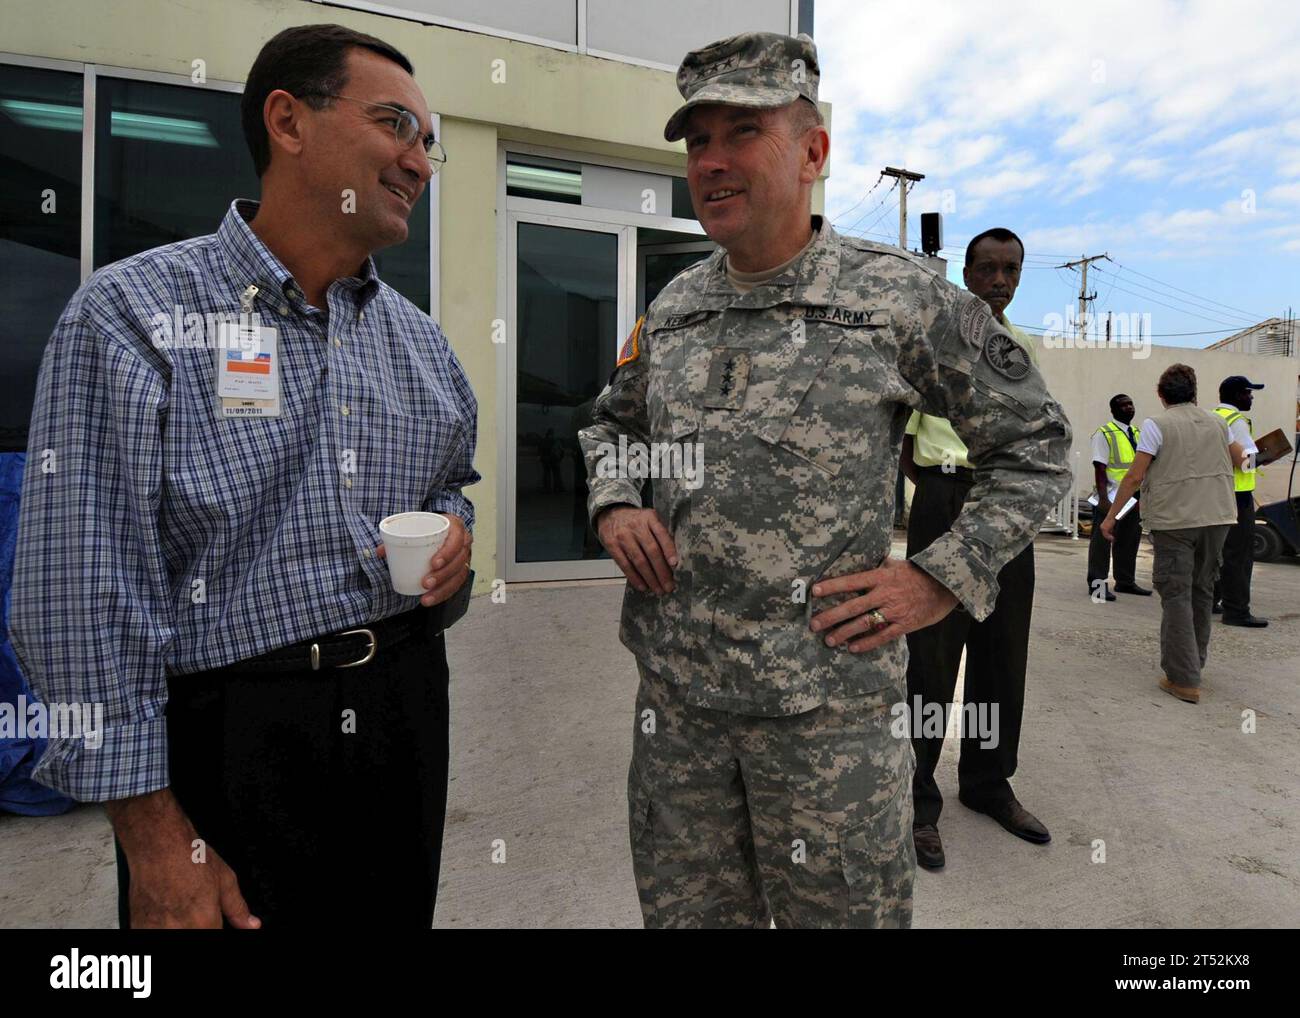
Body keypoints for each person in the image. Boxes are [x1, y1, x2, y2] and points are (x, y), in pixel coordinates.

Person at [579, 33, 1071, 928]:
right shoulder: (676, 306)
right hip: (679, 715)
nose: (712, 161)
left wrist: (938, 576)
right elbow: (613, 421)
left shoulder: (900, 299)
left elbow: (1036, 445)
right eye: (697, 141)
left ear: (814, 154)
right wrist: (615, 501)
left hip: (827, 722)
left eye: (742, 132)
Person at [10, 24, 479, 928]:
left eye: (429, 143)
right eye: (396, 126)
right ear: (287, 121)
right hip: (230, 735)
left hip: (404, 713)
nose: (420, 161)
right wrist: (154, 841)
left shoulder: (421, 347)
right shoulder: (132, 317)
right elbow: (75, 596)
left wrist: (453, 535)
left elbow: (450, 486)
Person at [899, 227, 1052, 872]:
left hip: (1010, 509)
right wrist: (945, 493)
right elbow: (907, 443)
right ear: (965, 272)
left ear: (1019, 275)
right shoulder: (933, 341)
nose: (998, 280)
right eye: (986, 269)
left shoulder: (1023, 347)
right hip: (946, 500)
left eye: (1009, 270)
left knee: (1001, 650)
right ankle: (916, 797)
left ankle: (988, 783)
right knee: (932, 659)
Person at [1101, 365, 1239, 704]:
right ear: (1195, 394)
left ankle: (1184, 679)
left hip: (1175, 521)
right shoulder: (1220, 423)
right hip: (1218, 517)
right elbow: (1239, 460)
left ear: (1161, 396)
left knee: (1176, 594)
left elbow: (1134, 477)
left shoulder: (1155, 425)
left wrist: (1110, 517)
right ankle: (1194, 663)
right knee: (1202, 590)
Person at [1212, 376, 1268, 627]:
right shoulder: (1237, 422)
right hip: (1239, 496)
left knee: (1215, 553)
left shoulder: (1212, 417)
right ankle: (1236, 611)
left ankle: (1211, 599)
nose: (1252, 397)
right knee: (1239, 555)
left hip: (1214, 495)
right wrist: (1267, 455)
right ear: (1236, 396)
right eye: (1248, 393)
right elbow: (1245, 463)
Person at [1086, 394, 1151, 600]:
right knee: (1101, 544)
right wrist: (1104, 500)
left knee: (1129, 540)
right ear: (1113, 410)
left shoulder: (1138, 433)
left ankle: (1125, 581)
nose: (1129, 408)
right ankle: (1097, 586)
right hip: (1111, 496)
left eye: (1131, 404)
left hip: (1133, 496)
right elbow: (1100, 468)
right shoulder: (1104, 434)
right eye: (1123, 405)